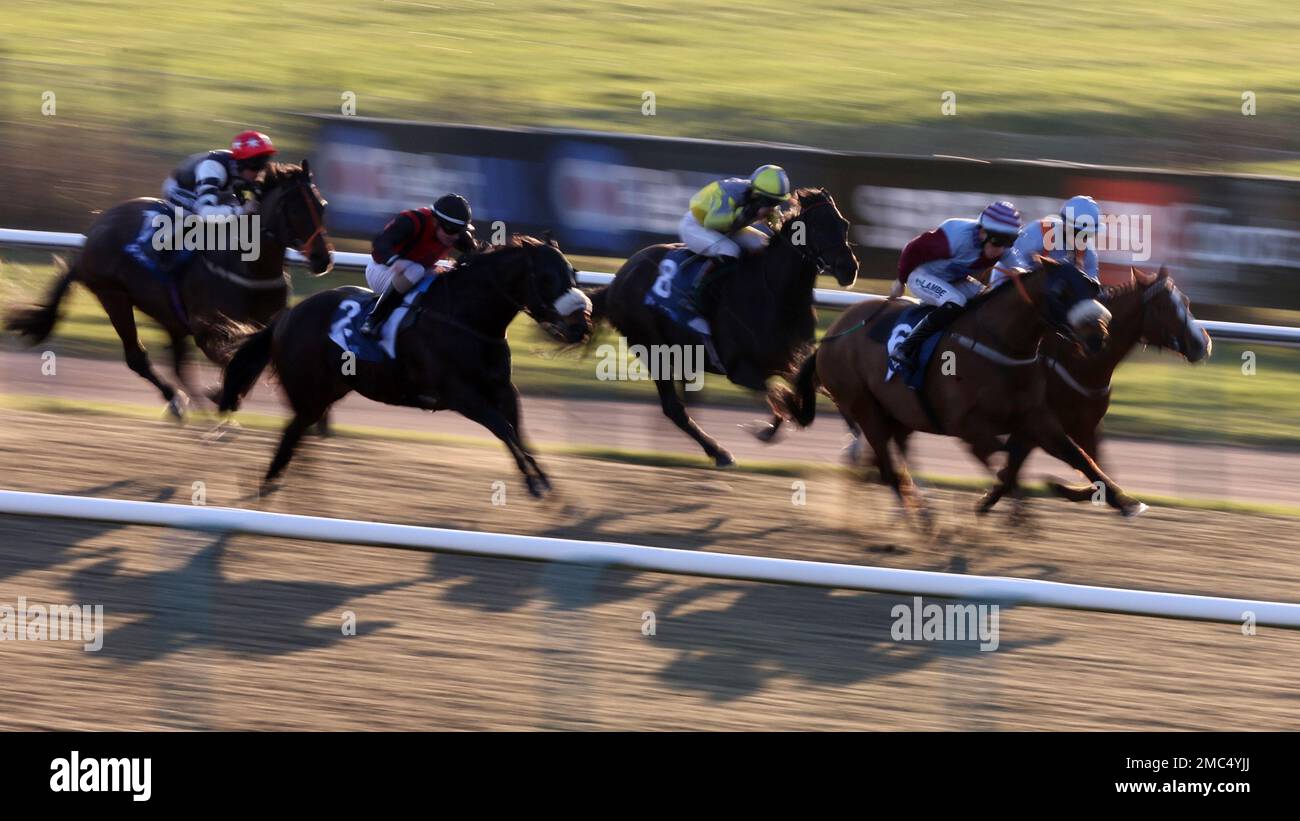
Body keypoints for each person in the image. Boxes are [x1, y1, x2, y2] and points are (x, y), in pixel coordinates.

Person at [888, 201, 1024, 383]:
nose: (1001, 249)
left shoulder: (1001, 247)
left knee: (988, 298)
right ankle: (905, 347)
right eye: (998, 241)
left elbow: (1021, 269)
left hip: (954, 279)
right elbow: (912, 249)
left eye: (1008, 242)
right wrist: (901, 280)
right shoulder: (955, 237)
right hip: (922, 276)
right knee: (956, 300)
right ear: (982, 232)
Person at [678, 164, 792, 318]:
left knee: (763, 244)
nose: (773, 207)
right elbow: (712, 223)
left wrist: (787, 237)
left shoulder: (763, 199)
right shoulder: (731, 193)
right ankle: (694, 294)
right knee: (730, 250)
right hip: (696, 226)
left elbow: (777, 226)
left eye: (776, 203)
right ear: (758, 195)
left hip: (728, 228)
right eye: (769, 202)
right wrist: (747, 213)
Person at [360, 193, 480, 337]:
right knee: (416, 271)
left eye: (459, 231)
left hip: (417, 270)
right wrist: (394, 261)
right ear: (435, 221)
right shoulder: (412, 221)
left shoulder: (455, 234)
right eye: (451, 230)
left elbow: (476, 255)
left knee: (444, 275)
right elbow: (380, 243)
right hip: (382, 270)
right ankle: (373, 319)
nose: (455, 236)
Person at [162, 130, 277, 218]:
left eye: (264, 164)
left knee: (233, 206)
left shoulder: (246, 173)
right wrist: (240, 211)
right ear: (242, 164)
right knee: (194, 216)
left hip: (215, 192)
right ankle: (154, 242)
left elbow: (248, 199)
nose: (259, 171)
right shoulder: (213, 168)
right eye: (256, 165)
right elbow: (204, 212)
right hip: (180, 190)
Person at [993, 195, 1101, 288]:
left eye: (1088, 234)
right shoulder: (1037, 233)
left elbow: (1092, 289)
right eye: (1078, 233)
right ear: (1064, 224)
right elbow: (1009, 266)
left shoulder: (1088, 253)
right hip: (1008, 289)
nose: (1082, 239)